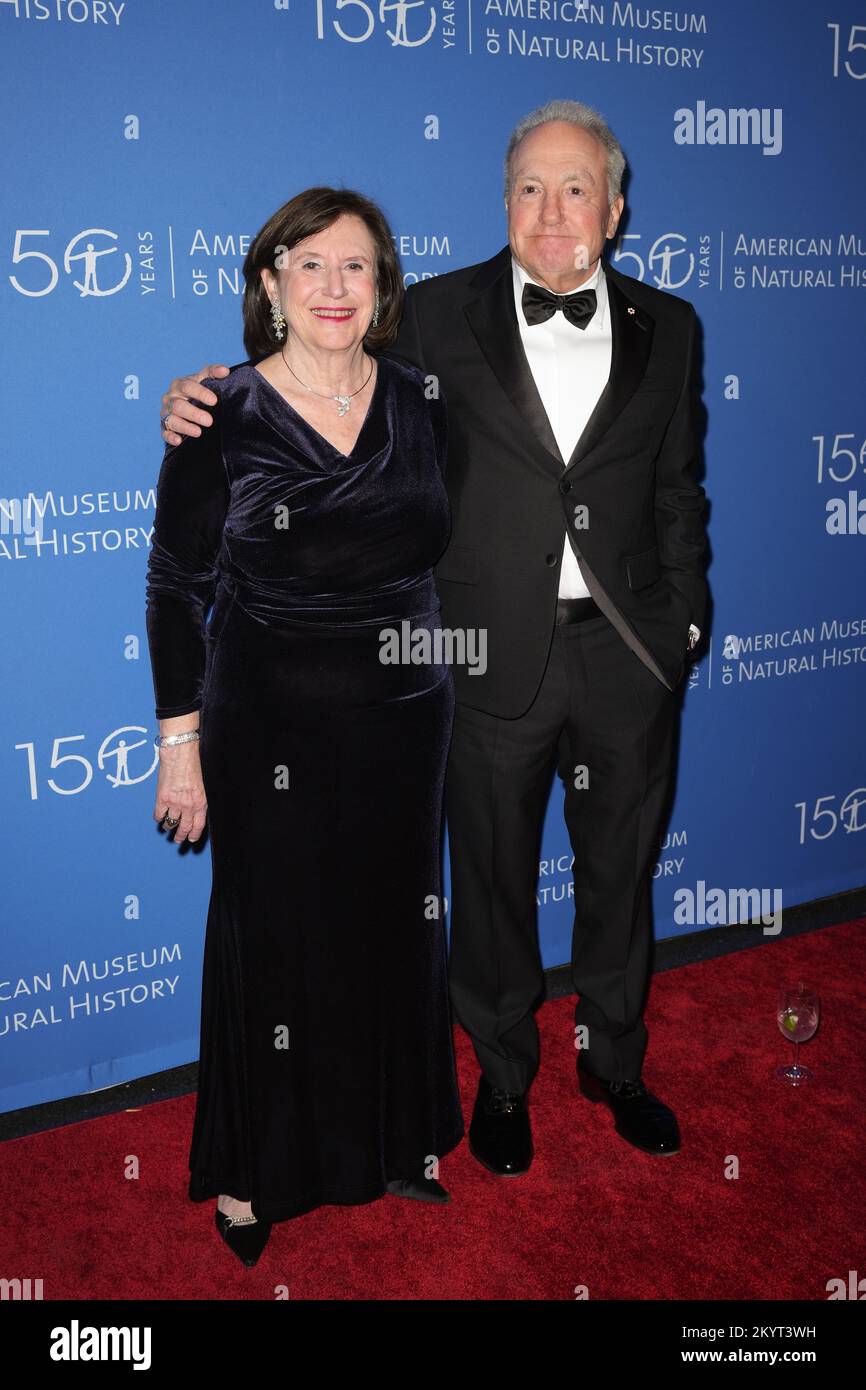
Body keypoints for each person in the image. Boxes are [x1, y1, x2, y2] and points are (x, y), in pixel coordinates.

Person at [159, 99, 709, 1181]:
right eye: (527, 189)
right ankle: (503, 1079)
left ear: (614, 205)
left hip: (626, 656)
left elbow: (678, 489)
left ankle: (616, 1062)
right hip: (480, 654)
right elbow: (310, 353)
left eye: (574, 188)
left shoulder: (672, 326)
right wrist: (200, 394)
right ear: (501, 201)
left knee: (619, 875)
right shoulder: (435, 316)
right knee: (491, 884)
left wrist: (682, 619)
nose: (550, 213)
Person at [146, 186, 463, 1267]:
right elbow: (173, 583)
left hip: (405, 713)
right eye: (310, 264)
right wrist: (177, 743)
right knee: (270, 939)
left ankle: (395, 1136)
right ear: (271, 282)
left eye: (357, 266)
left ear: (383, 288)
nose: (334, 286)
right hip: (268, 717)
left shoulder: (422, 399)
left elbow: (444, 541)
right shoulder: (216, 413)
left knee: (395, 925)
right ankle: (254, 1169)